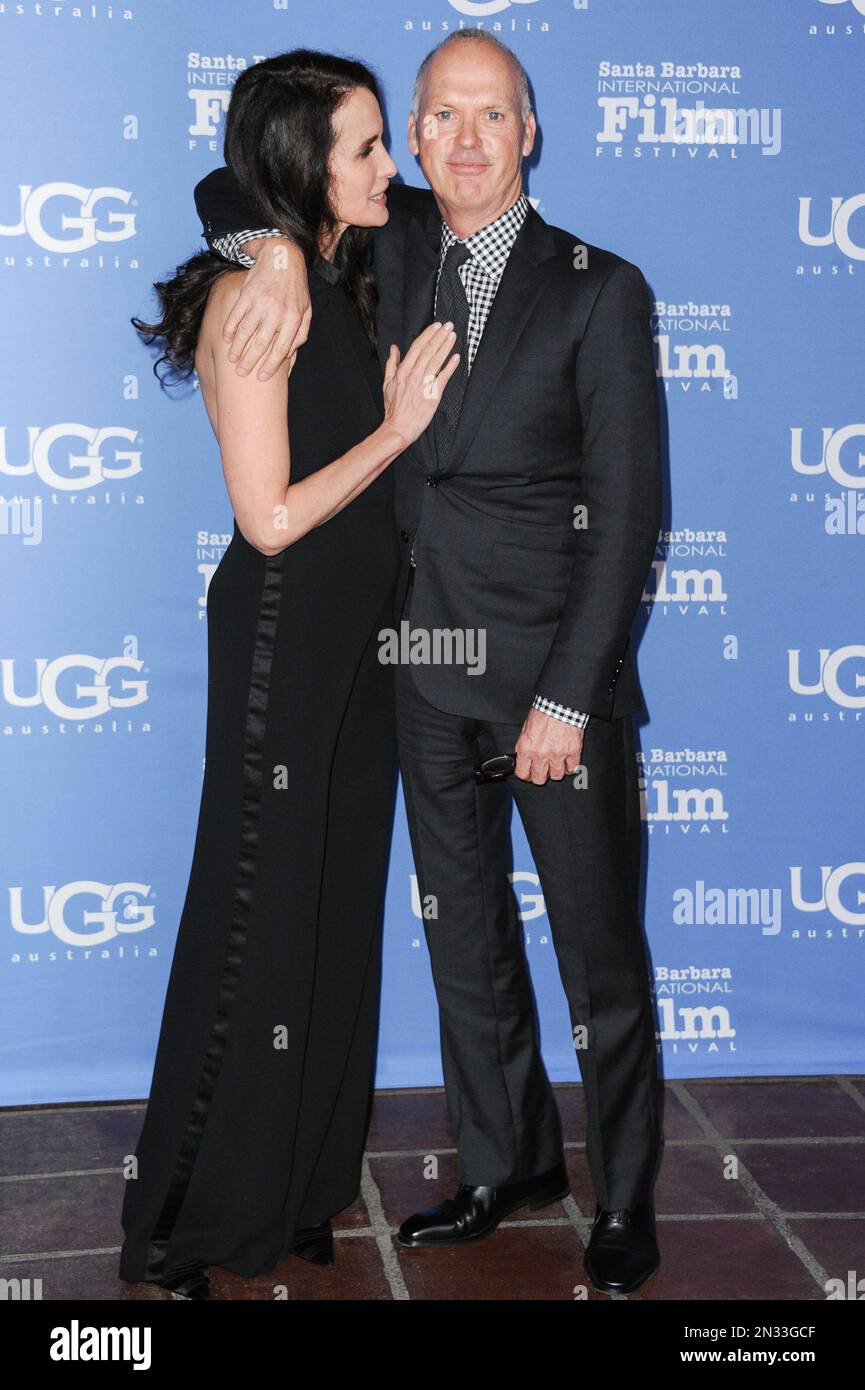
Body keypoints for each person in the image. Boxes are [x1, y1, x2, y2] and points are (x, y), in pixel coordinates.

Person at [194, 29, 664, 1296]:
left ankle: (624, 1194)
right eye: (439, 117)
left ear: (530, 133)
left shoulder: (598, 287)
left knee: (595, 954)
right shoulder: (382, 240)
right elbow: (237, 184)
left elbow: (625, 517)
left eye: (490, 116)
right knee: (465, 942)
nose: (463, 141)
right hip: (417, 665)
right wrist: (277, 247)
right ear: (410, 137)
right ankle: (508, 1161)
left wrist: (568, 692)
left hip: (550, 682)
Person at [118, 49, 459, 1300]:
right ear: (305, 164)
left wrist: (269, 233)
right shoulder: (251, 299)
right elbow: (266, 519)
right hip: (280, 627)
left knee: (330, 917)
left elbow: (244, 186)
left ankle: (304, 1183)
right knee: (256, 921)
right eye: (366, 148)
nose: (396, 165)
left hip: (363, 635)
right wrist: (396, 429)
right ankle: (193, 1216)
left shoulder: (342, 254)